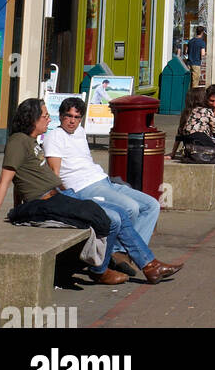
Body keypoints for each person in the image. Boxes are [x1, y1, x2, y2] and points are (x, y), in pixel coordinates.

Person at [0, 98, 125, 285]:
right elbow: (5, 180)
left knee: (114, 214)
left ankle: (100, 265)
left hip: (58, 195)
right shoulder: (18, 142)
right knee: (108, 219)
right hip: (47, 201)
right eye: (45, 116)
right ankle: (99, 270)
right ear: (32, 119)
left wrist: (18, 207)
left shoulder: (31, 141)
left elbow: (21, 178)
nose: (49, 120)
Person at [43, 97, 181, 282]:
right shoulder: (55, 137)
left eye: (76, 117)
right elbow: (55, 173)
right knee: (130, 207)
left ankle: (120, 253)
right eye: (68, 116)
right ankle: (140, 260)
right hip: (84, 187)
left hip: (103, 180)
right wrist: (68, 197)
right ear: (60, 116)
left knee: (151, 205)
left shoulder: (80, 132)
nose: (72, 120)